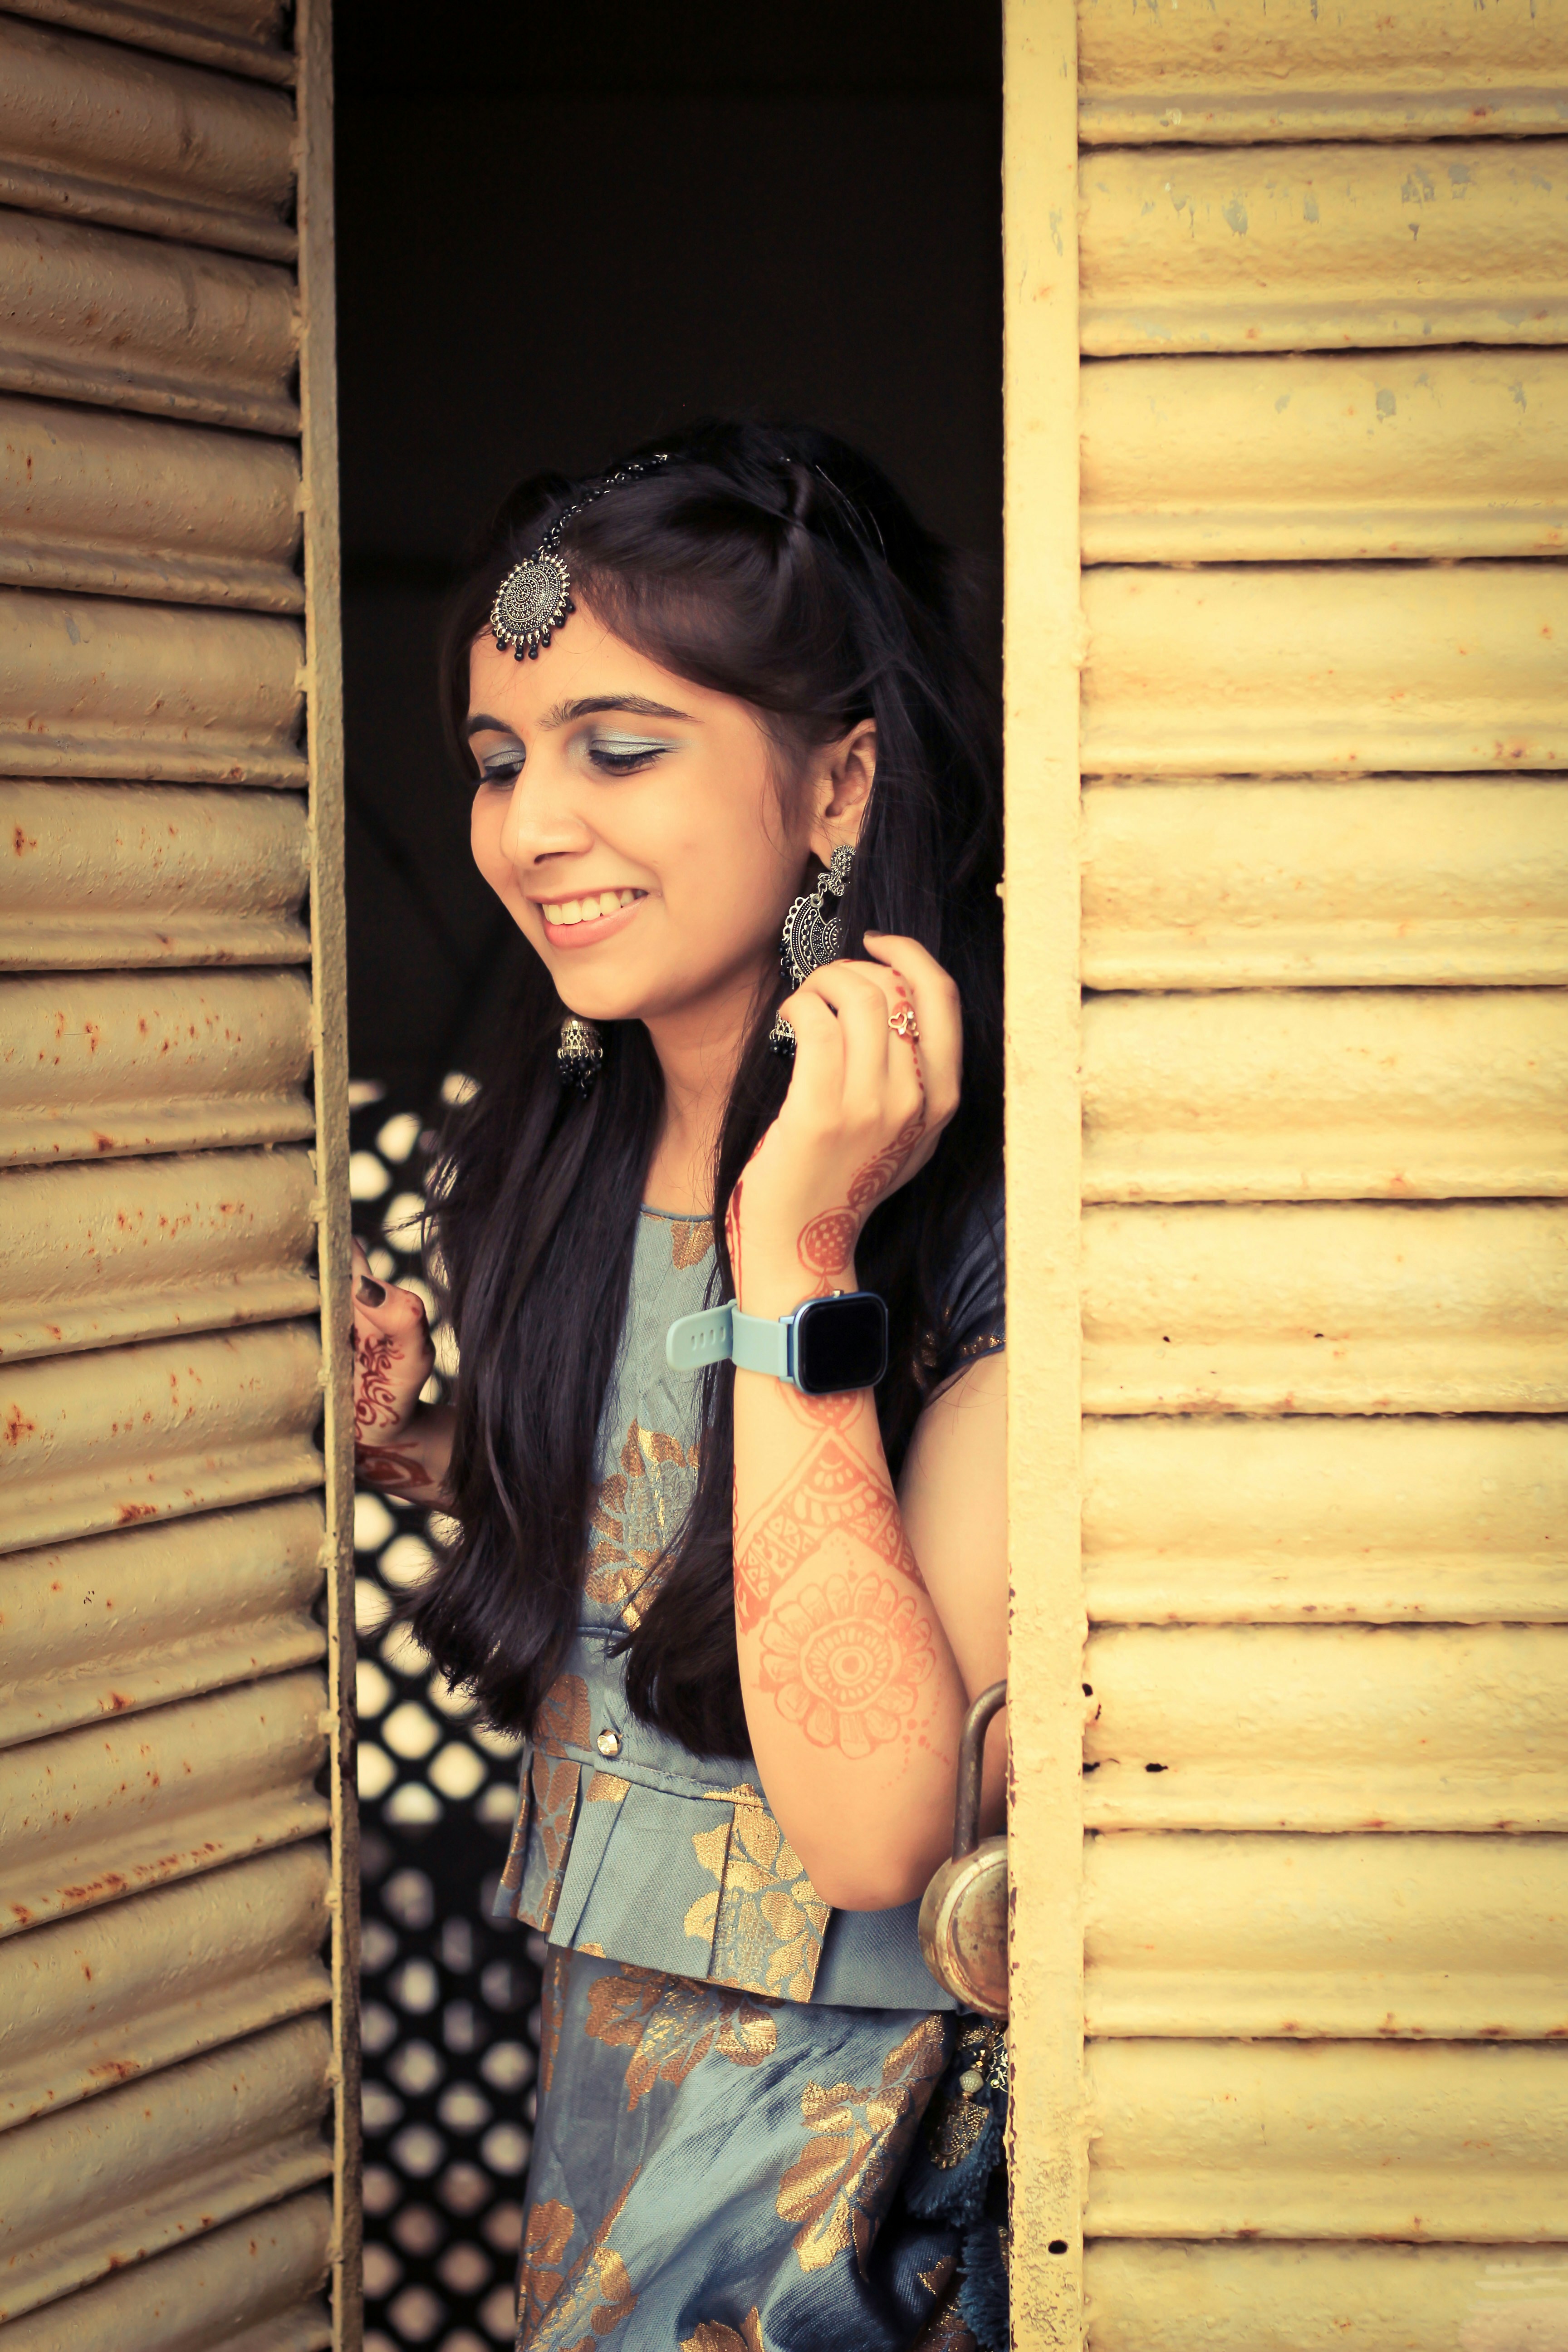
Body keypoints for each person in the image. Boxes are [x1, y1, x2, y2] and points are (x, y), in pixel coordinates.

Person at [351, 421, 1007, 2352]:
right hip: (605, 2056)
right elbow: (704, 1552)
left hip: (845, 2133)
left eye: (618, 750)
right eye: (499, 760)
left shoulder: (964, 1224)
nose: (532, 824)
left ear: (841, 784)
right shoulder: (565, 1149)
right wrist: (456, 1453)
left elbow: (884, 1818)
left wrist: (798, 1257)